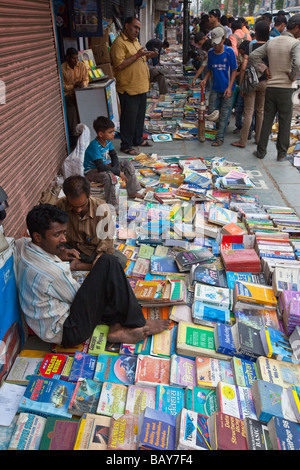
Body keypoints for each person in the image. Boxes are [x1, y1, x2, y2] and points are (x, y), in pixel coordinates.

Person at [17, 204, 170, 348]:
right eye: (56, 235)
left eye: (64, 232)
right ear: (37, 237)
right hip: (68, 331)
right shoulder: (52, 272)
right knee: (108, 263)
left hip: (47, 325)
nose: (63, 239)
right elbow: (77, 297)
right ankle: (137, 323)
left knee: (109, 280)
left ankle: (117, 326)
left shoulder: (22, 245)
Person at [251, 13, 300, 161]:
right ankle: (281, 153)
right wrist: (292, 76)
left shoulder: (272, 41)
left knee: (267, 119)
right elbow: (297, 63)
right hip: (286, 89)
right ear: (297, 27)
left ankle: (261, 151)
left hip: (271, 87)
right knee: (284, 121)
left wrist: (264, 68)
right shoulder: (295, 44)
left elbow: (253, 55)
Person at [56, 174, 127, 271]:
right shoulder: (60, 205)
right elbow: (53, 233)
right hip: (70, 248)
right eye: (73, 206)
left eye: (82, 205)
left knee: (120, 261)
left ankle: (79, 266)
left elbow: (106, 239)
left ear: (89, 194)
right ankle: (90, 267)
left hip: (92, 250)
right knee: (45, 254)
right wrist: (63, 251)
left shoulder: (102, 208)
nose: (78, 210)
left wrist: (99, 257)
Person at [110, 17, 156, 156]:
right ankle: (126, 145)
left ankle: (137, 139)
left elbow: (138, 58)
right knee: (129, 118)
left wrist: (147, 56)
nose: (137, 31)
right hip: (128, 87)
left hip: (141, 86)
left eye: (138, 28)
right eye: (135, 27)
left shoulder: (135, 41)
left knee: (139, 117)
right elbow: (119, 65)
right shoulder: (119, 43)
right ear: (126, 25)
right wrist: (137, 55)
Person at [83, 116, 143, 208]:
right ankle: (112, 205)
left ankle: (132, 192)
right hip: (92, 171)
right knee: (109, 176)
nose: (113, 134)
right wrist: (117, 172)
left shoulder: (108, 141)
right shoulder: (94, 146)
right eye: (110, 132)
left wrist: (115, 169)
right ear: (100, 134)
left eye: (113, 131)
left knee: (127, 164)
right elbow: (100, 167)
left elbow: (114, 155)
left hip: (105, 166)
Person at [231, 20, 270, 149]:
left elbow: (243, 68)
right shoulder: (270, 45)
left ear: (256, 33)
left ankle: (242, 141)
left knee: (248, 112)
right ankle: (258, 139)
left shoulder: (251, 46)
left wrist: (241, 84)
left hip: (251, 82)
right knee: (260, 111)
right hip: (264, 82)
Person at [200, 26, 237, 146]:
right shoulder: (211, 53)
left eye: (218, 43)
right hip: (215, 88)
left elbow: (234, 71)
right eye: (214, 44)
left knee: (224, 114)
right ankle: (219, 128)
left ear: (223, 39)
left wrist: (230, 87)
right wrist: (205, 79)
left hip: (227, 88)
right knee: (212, 112)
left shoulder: (229, 52)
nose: (216, 46)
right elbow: (209, 70)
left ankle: (219, 137)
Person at [61, 48, 89, 149]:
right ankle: (75, 138)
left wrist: (83, 84)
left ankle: (85, 135)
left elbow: (86, 79)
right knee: (73, 115)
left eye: (77, 58)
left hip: (80, 93)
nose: (75, 61)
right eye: (73, 58)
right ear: (68, 58)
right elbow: (61, 85)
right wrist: (73, 86)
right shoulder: (62, 68)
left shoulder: (81, 65)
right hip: (68, 96)